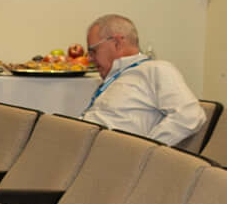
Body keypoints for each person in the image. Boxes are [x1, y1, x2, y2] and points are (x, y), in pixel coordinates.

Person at [77, 15, 199, 146]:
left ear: (117, 42)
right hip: (83, 146)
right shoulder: (115, 78)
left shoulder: (156, 69)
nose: (89, 59)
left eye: (93, 51)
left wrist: (147, 150)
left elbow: (189, 116)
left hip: (110, 152)